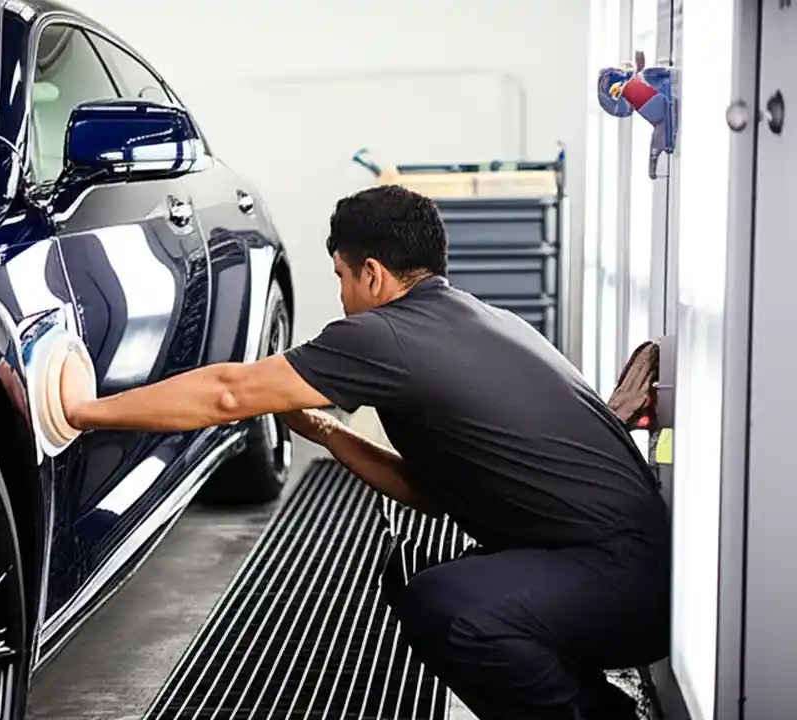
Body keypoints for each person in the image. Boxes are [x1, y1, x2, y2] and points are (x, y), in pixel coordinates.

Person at [59, 185, 670, 720]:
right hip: (634, 572)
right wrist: (326, 431)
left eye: (342, 279)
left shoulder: (384, 334)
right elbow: (431, 493)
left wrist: (85, 411)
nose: (344, 297)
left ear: (372, 274)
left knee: (454, 608)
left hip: (621, 588)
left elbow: (226, 392)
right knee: (420, 581)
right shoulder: (482, 318)